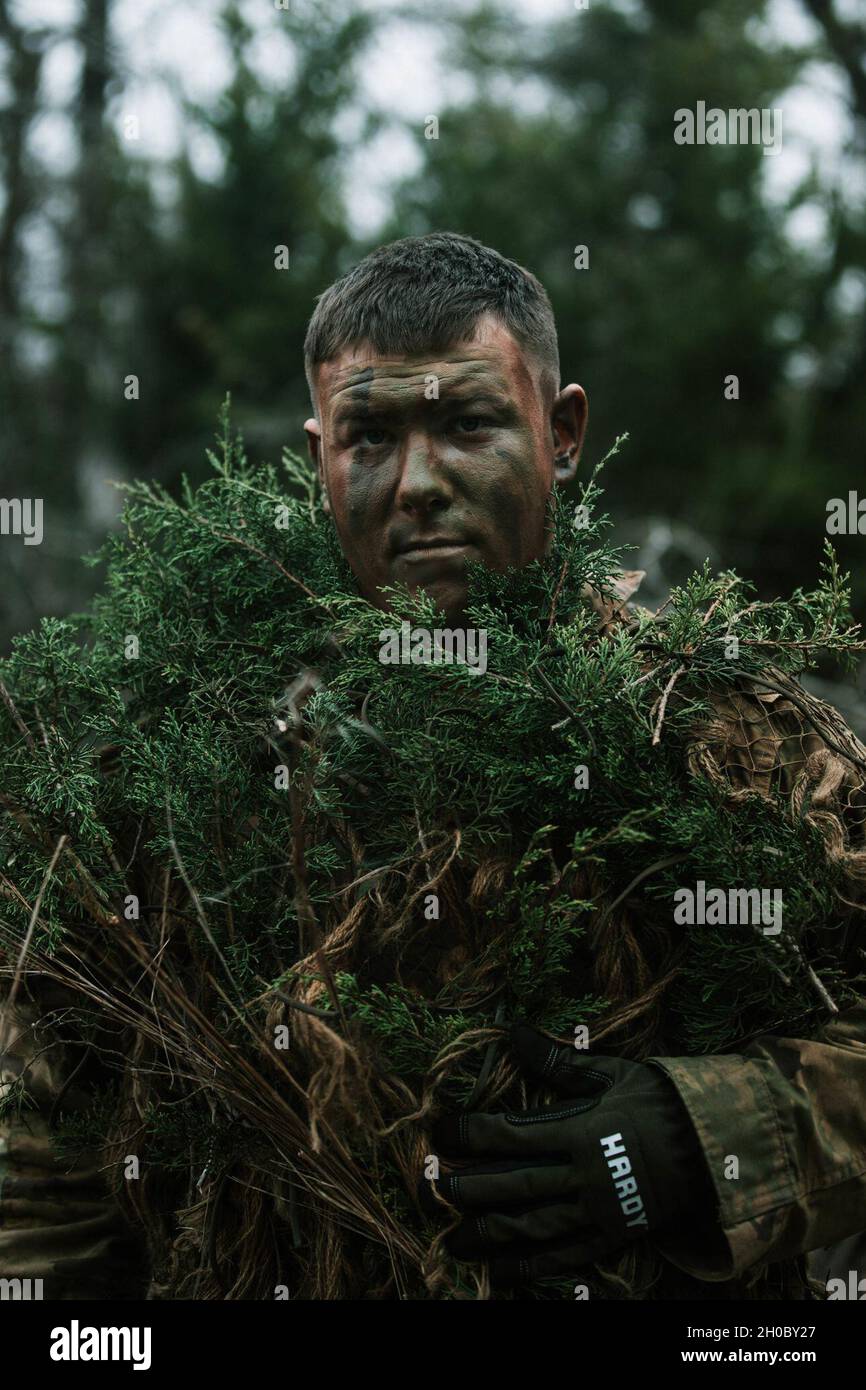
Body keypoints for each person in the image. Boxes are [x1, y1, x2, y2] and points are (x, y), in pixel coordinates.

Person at [1, 232, 865, 1300]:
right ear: (320, 455)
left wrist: (717, 1132)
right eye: (368, 436)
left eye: (465, 423)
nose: (415, 484)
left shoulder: (734, 743)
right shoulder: (189, 780)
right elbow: (46, 1165)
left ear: (560, 433)